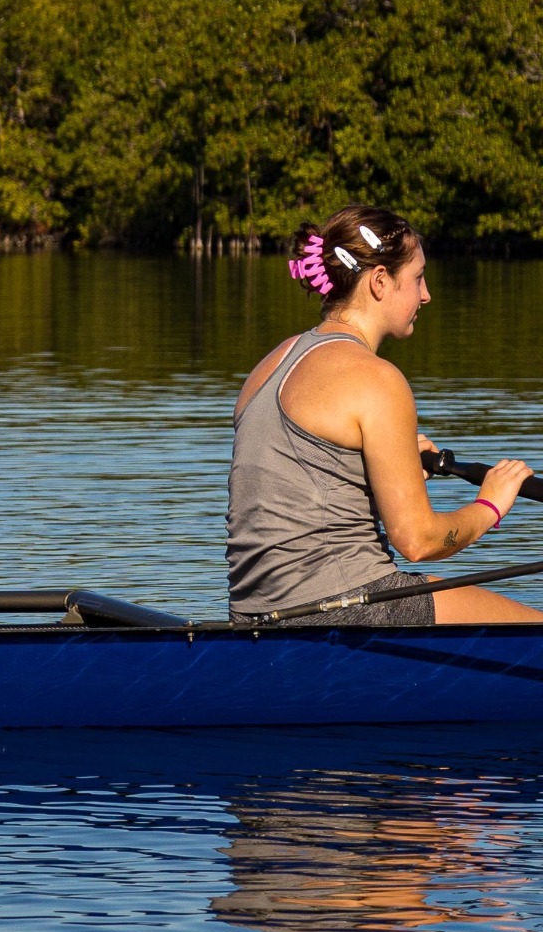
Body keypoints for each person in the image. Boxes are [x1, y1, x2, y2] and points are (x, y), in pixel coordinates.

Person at [230, 203, 543, 625]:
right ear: (380, 281)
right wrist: (491, 503)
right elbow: (418, 541)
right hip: (344, 607)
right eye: (417, 278)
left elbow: (306, 497)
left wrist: (383, 469)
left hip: (253, 617)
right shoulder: (376, 379)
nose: (426, 294)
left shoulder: (270, 364)